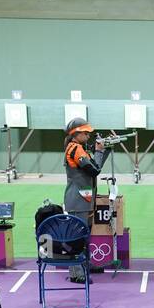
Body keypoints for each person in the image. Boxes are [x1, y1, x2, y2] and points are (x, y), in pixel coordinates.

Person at [62, 118, 109, 284]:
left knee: (85, 235)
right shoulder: (75, 149)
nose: (88, 135)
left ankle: (85, 265)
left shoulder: (79, 148)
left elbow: (95, 165)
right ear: (76, 133)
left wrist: (105, 149)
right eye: (85, 133)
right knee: (77, 237)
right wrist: (100, 151)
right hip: (77, 200)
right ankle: (76, 273)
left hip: (84, 198)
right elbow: (94, 170)